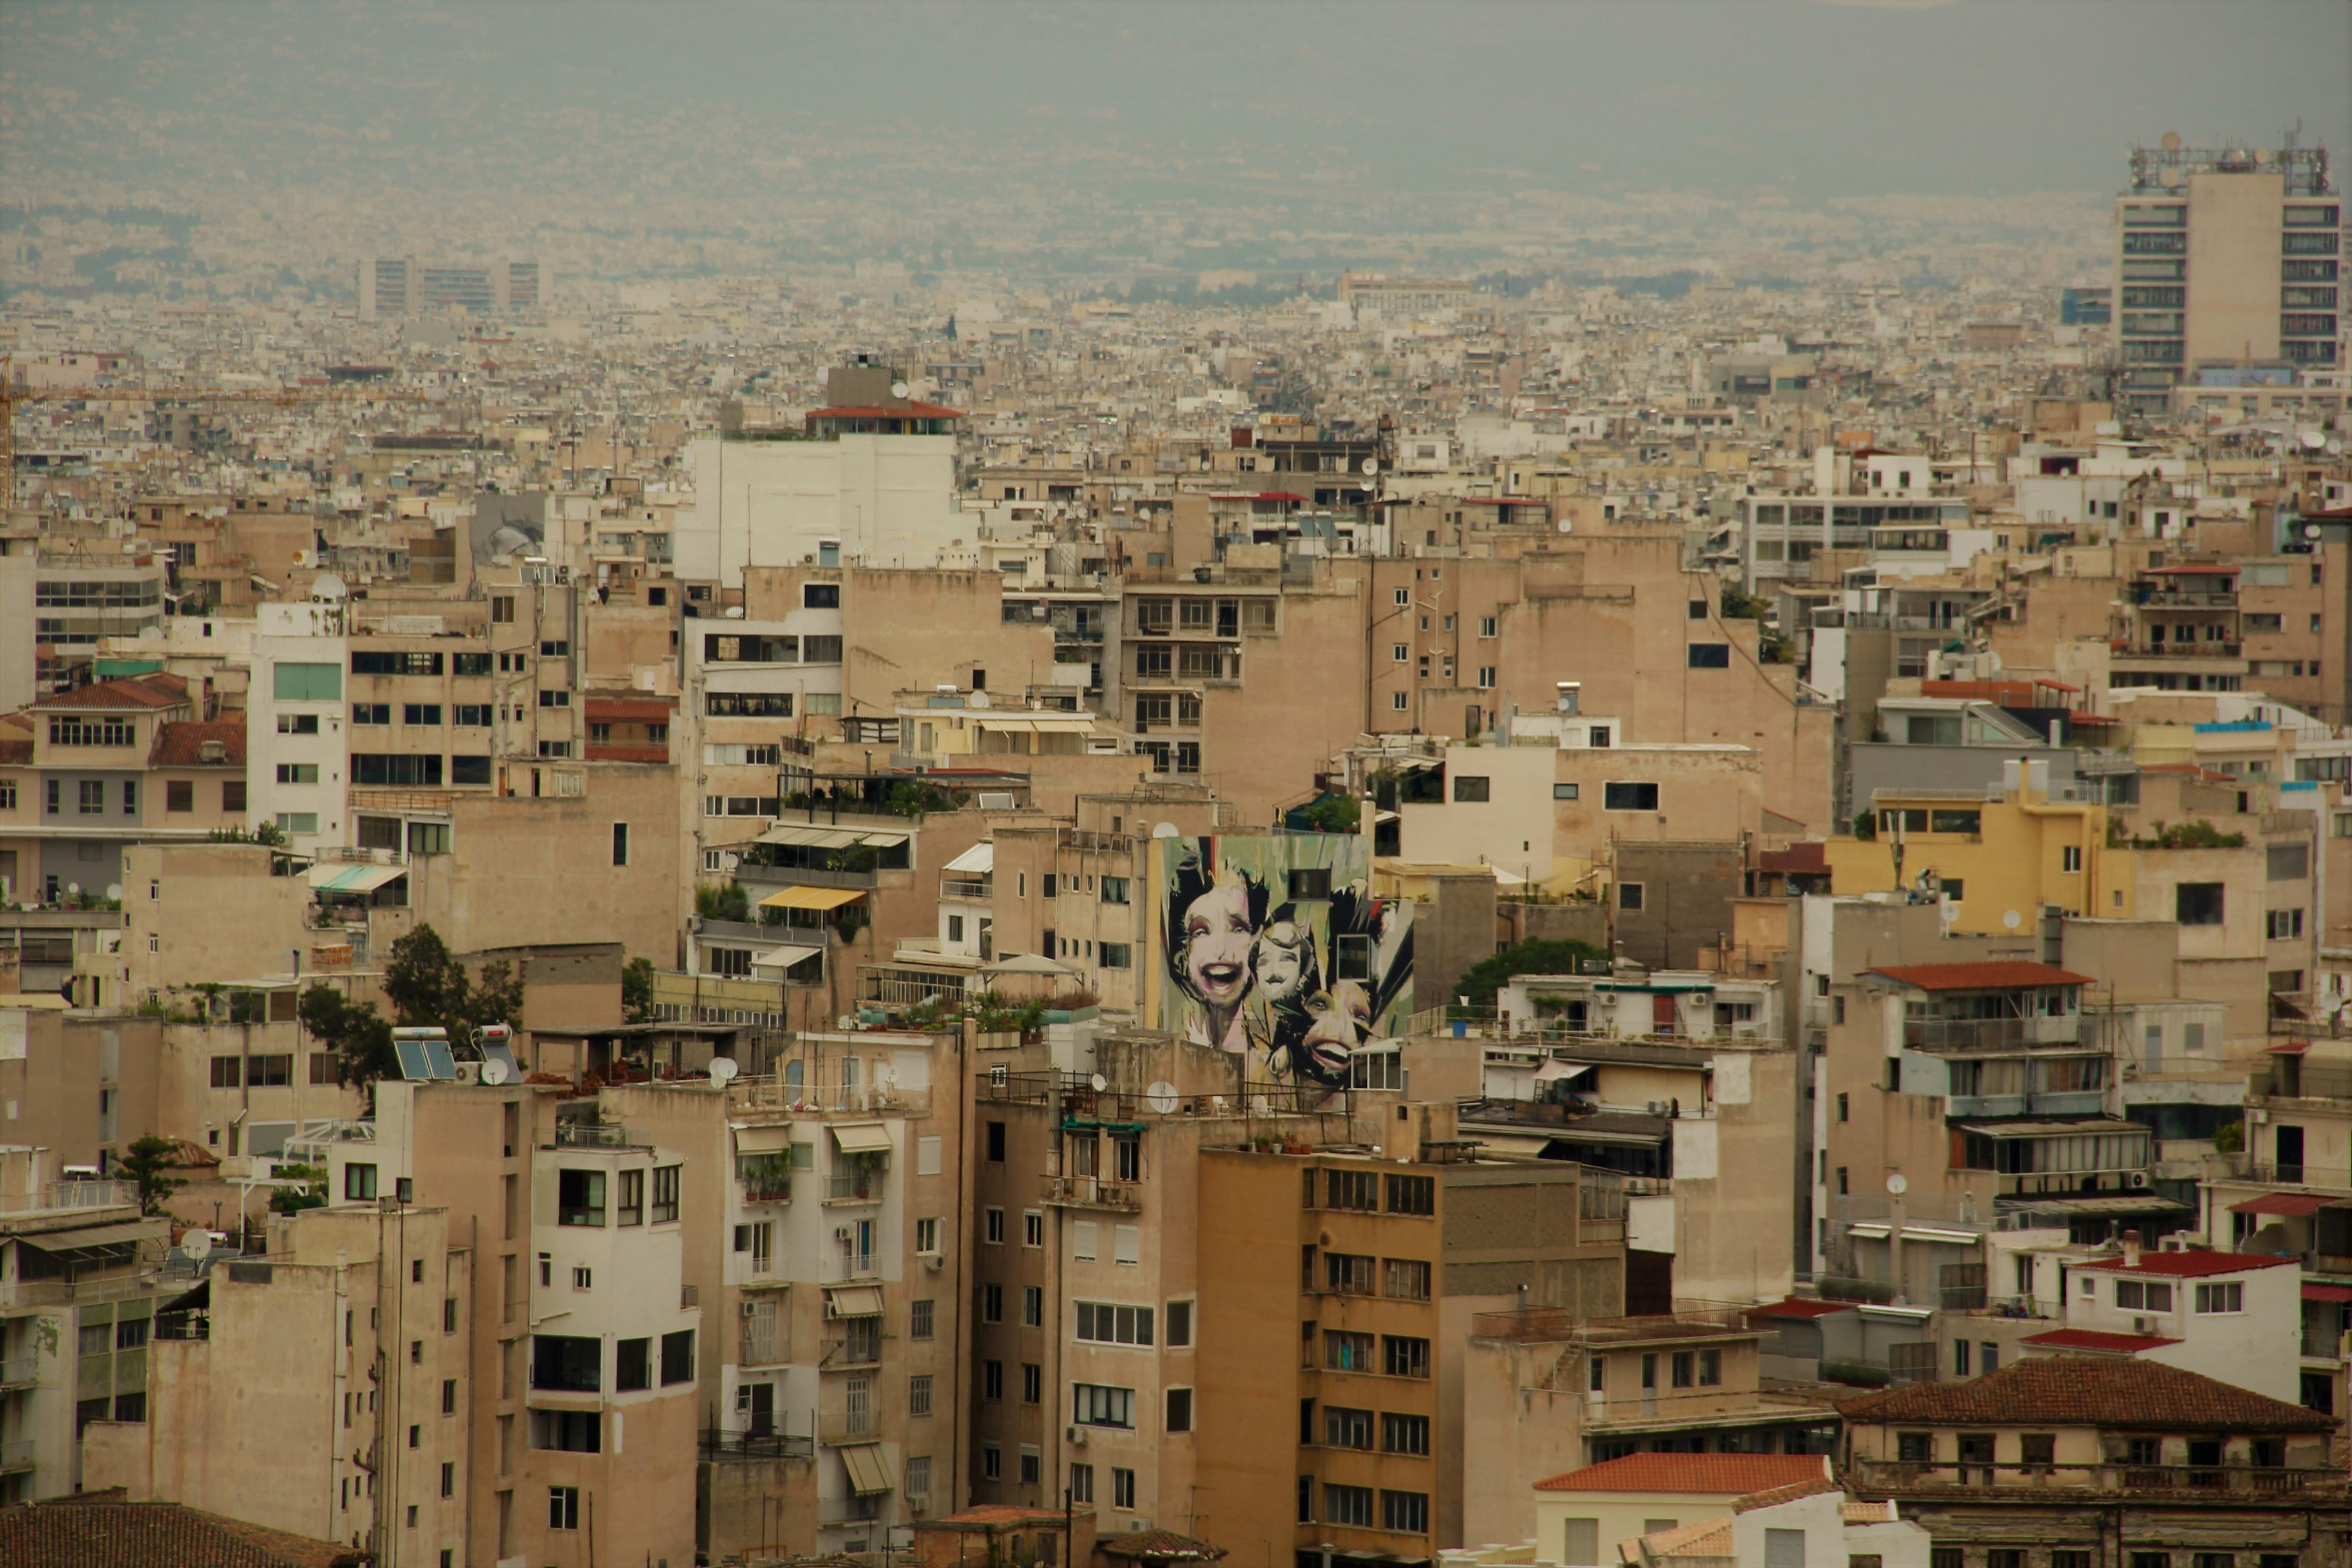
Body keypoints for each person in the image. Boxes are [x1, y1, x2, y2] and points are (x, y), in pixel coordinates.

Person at [1163, 843, 1268, 1059]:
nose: (1220, 950)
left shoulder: (1268, 1049)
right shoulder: (1177, 1034)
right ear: (1185, 953)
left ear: (1257, 939)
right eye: (1201, 932)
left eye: (1238, 929)